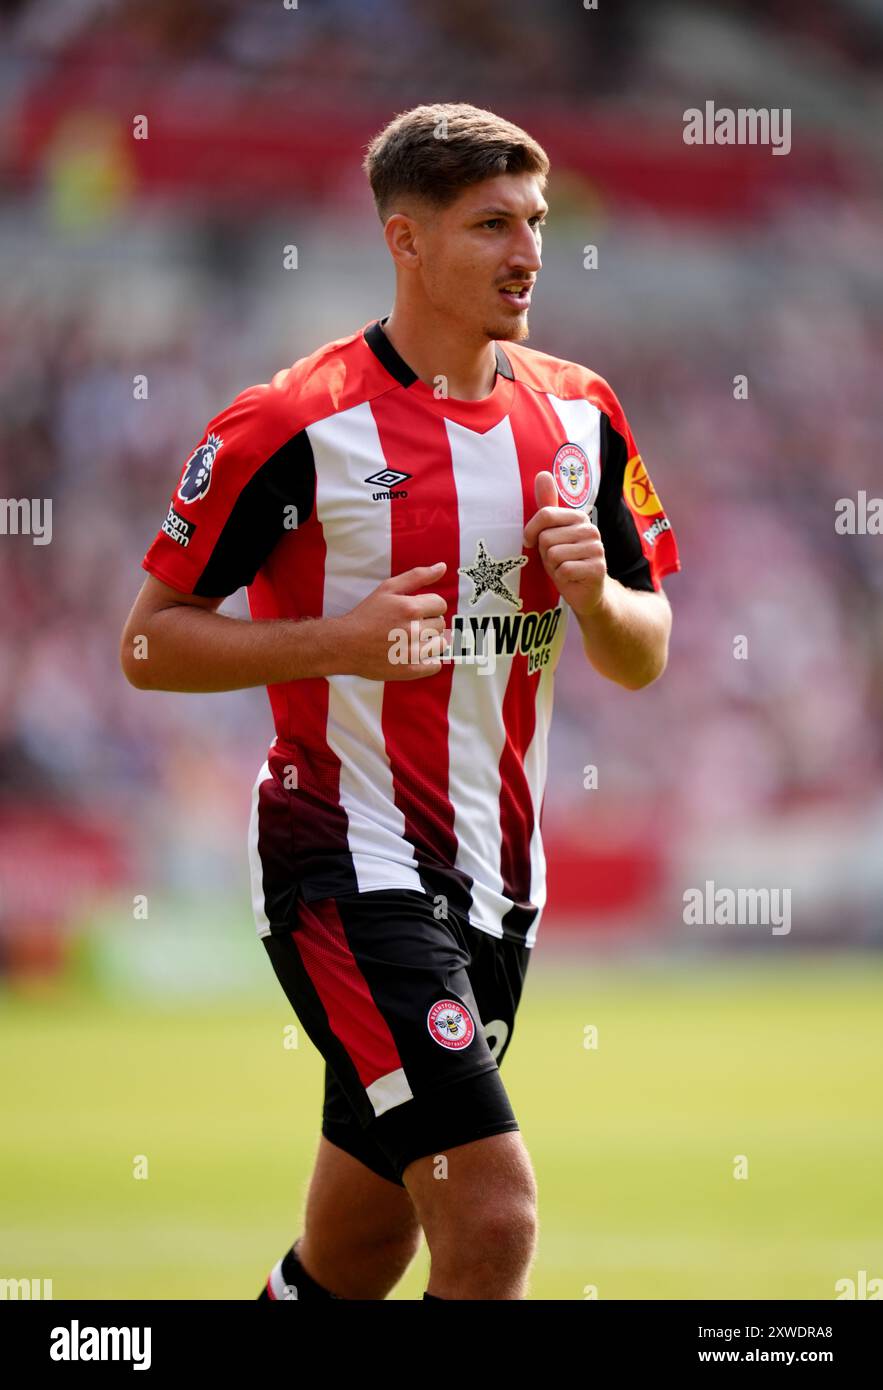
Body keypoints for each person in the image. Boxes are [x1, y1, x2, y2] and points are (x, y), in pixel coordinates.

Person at [120, 102, 680, 1301]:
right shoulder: (291, 423)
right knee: (491, 1219)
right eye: (491, 224)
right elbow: (147, 646)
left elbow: (644, 653)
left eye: (534, 220)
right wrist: (336, 642)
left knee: (357, 1252)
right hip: (347, 864)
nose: (528, 249)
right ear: (406, 240)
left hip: (498, 885)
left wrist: (596, 602)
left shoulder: (582, 413)